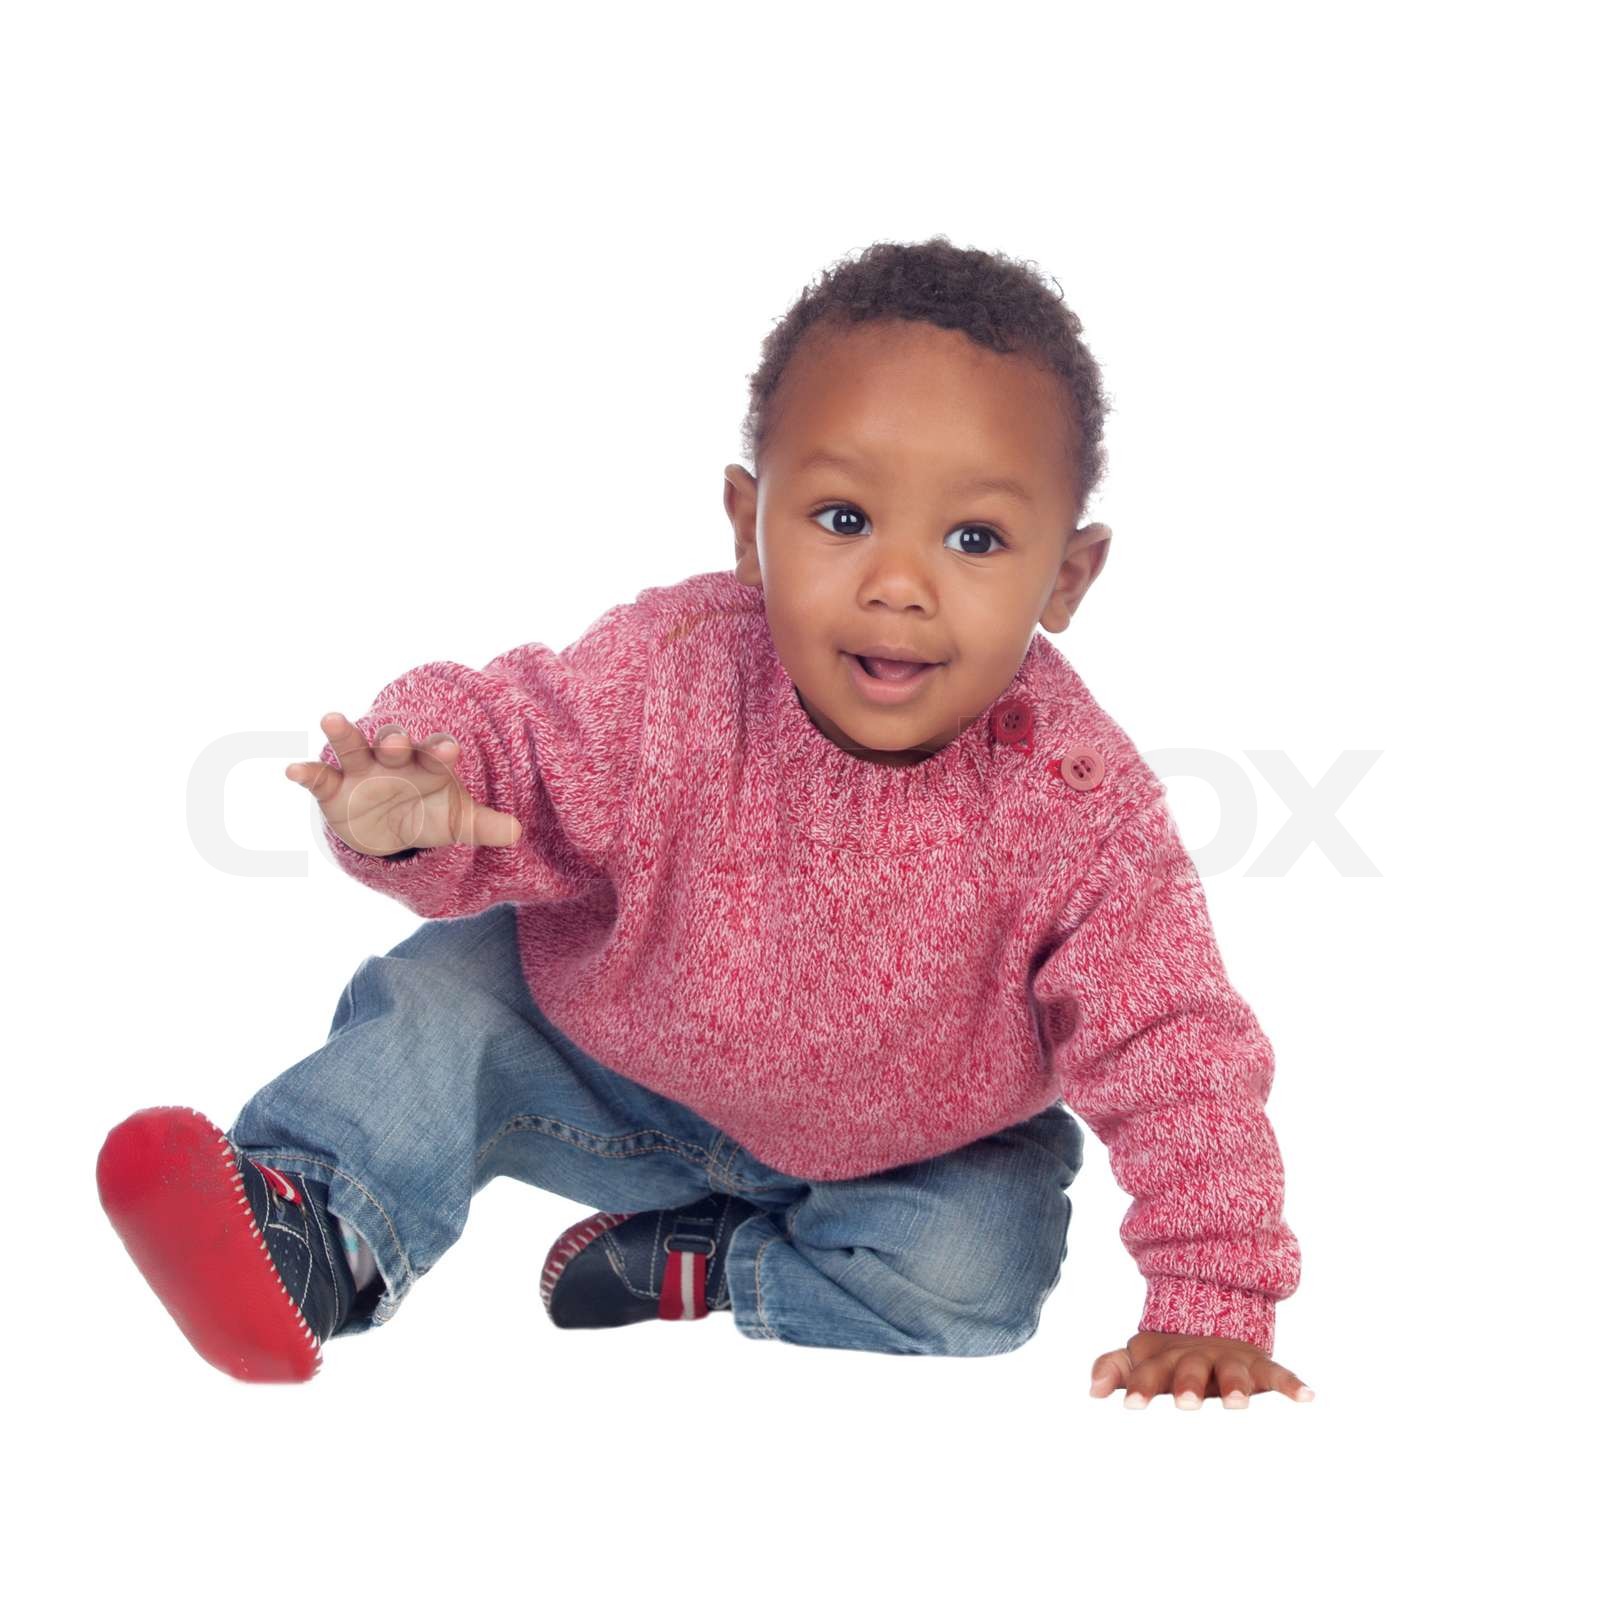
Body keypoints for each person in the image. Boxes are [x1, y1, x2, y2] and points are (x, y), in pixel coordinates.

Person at [98, 236, 1311, 1407]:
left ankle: (719, 1261)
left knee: (977, 1269)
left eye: (975, 538)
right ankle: (316, 1224)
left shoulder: (1082, 811)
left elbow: (1175, 1046)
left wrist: (1211, 1299)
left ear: (1066, 578)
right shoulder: (676, 667)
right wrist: (418, 801)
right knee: (446, 1002)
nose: (899, 582)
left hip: (906, 1149)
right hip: (608, 1059)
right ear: (748, 523)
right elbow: (516, 733)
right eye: (842, 519)